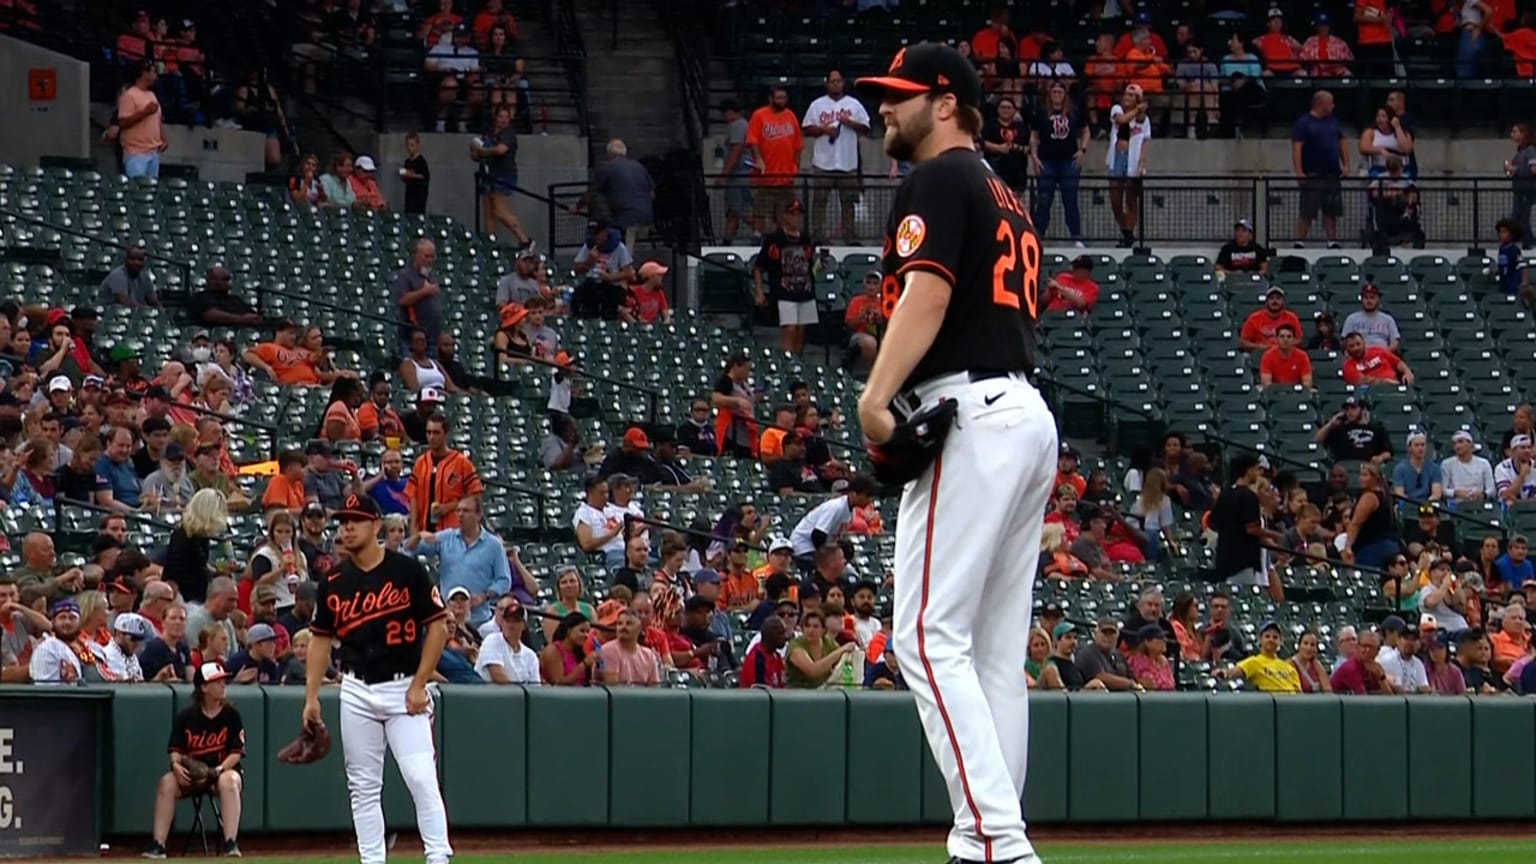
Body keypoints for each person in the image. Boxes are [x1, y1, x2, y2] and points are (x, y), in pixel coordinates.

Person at [854, 44, 1057, 864]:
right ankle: (984, 844)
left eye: (898, 97)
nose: (882, 111)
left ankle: (1003, 847)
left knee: (928, 639)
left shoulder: (939, 176)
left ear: (946, 103)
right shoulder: (1004, 192)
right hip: (1022, 411)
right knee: (994, 657)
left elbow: (929, 293)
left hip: (966, 409)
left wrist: (875, 397)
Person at [302, 494, 452, 864]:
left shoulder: (407, 570)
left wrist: (419, 684)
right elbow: (320, 640)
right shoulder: (334, 579)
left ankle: (438, 857)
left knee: (420, 776)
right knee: (363, 787)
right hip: (355, 688)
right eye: (343, 521)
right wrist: (311, 697)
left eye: (355, 520)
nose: (347, 527)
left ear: (375, 525)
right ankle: (372, 860)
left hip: (403, 688)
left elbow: (438, 628)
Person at [144, 663, 244, 859]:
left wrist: (219, 769)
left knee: (229, 781)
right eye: (217, 681)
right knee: (167, 782)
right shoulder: (186, 717)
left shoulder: (231, 715)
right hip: (193, 776)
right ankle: (158, 845)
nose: (223, 685)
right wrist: (176, 766)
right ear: (204, 687)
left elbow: (236, 753)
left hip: (221, 773)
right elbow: (175, 750)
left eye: (224, 680)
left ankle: (230, 843)